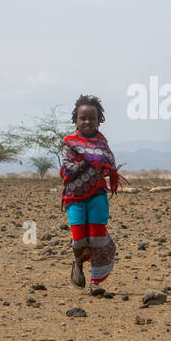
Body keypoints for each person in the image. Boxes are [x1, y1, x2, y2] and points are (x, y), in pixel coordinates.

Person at [61, 95, 122, 288]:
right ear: (75, 120)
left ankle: (95, 283)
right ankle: (78, 263)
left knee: (96, 238)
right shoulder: (69, 143)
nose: (87, 122)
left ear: (99, 121)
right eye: (83, 118)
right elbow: (66, 171)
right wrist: (88, 161)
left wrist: (91, 159)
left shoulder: (102, 144)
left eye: (92, 118)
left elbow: (109, 163)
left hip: (97, 195)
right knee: (79, 240)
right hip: (74, 197)